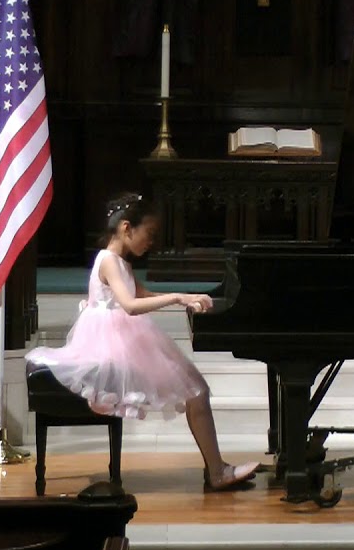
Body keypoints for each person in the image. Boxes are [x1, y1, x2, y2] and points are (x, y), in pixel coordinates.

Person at [26, 192, 259, 491]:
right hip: (111, 343)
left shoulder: (120, 261)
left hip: (125, 338)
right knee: (196, 390)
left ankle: (217, 469)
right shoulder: (108, 260)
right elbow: (131, 305)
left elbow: (142, 293)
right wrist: (176, 297)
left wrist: (188, 297)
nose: (152, 242)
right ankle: (217, 472)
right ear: (126, 228)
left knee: (197, 389)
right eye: (149, 234)